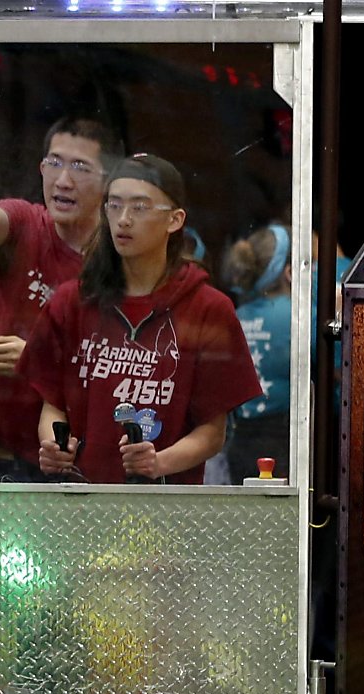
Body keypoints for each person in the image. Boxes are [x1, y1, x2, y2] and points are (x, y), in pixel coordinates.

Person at [21, 154, 260, 485]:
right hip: (80, 504)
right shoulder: (73, 300)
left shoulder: (208, 308)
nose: (123, 219)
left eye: (140, 207)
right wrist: (52, 445)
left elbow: (212, 433)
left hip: (167, 509)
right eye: (114, 205)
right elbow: (53, 406)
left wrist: (157, 463)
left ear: (175, 220)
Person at [0, 117, 116, 478]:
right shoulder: (27, 223)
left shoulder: (116, 265)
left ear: (108, 181)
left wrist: (36, 358)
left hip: (65, 466)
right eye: (54, 162)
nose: (63, 180)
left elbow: (114, 370)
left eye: (80, 167)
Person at [221, 221, 292, 482]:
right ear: (290, 272)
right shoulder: (302, 318)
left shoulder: (235, 317)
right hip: (284, 443)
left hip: (240, 441)